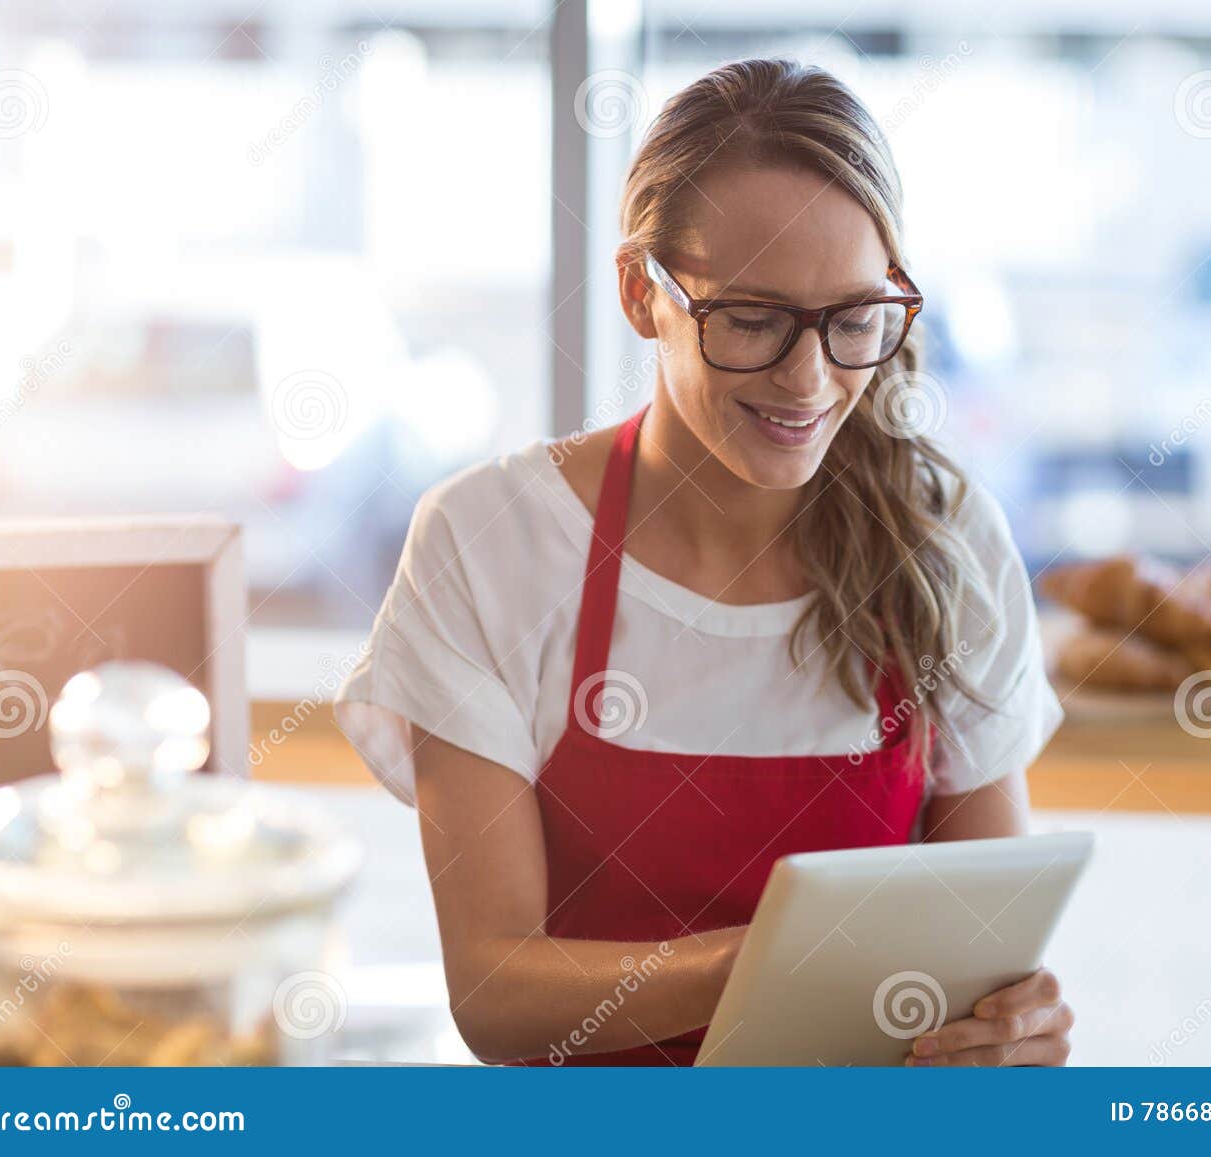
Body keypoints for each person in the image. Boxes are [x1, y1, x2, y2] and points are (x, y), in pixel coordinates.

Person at [336, 57, 1070, 1067]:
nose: (808, 378)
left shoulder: (945, 542)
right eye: (753, 320)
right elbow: (496, 989)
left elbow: (979, 952)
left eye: (853, 320)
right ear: (643, 292)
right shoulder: (490, 538)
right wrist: (786, 961)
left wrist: (1006, 1032)